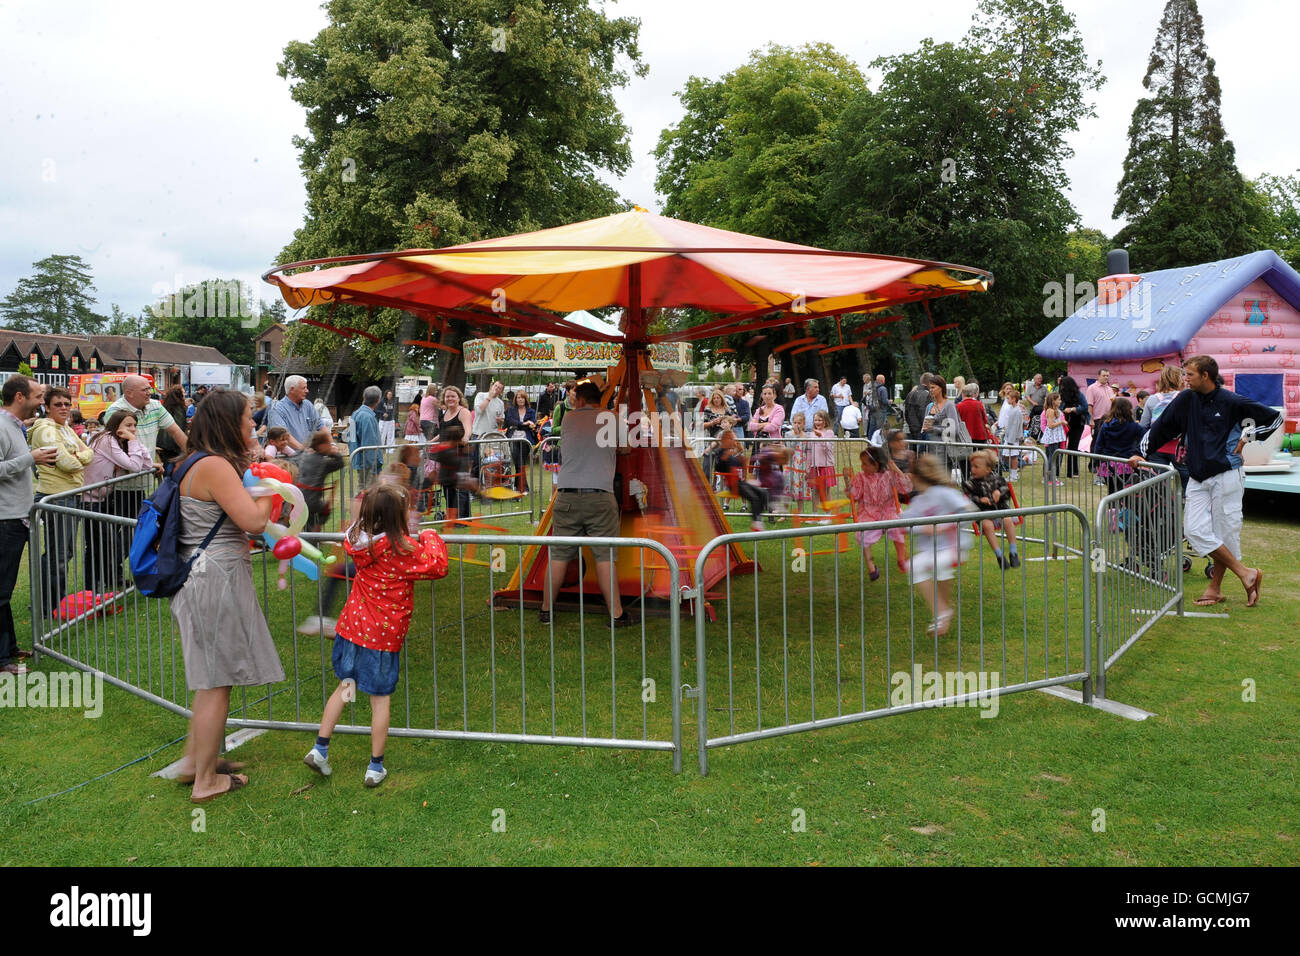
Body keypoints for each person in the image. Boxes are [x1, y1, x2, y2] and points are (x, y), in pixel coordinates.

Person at [169, 390, 283, 802]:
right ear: (228, 422)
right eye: (248, 417)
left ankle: (194, 762)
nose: (253, 423)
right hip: (214, 580)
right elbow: (253, 521)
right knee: (217, 680)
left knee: (210, 678)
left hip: (198, 577)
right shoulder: (215, 465)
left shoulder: (194, 461)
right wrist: (272, 484)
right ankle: (205, 781)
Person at [303, 482, 449, 787]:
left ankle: (320, 748)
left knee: (345, 687)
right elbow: (437, 565)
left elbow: (368, 522)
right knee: (379, 701)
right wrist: (431, 535)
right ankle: (375, 766)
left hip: (352, 629)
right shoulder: (401, 551)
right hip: (381, 638)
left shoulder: (357, 541)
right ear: (399, 518)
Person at [1129, 354, 1279, 609]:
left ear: (1205, 376)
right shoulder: (1186, 399)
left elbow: (1273, 419)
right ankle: (1246, 573)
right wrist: (1140, 452)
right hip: (1197, 476)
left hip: (1227, 475)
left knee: (1226, 533)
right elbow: (1162, 426)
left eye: (1190, 375)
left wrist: (1246, 439)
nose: (1185, 379)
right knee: (1194, 530)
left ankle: (1216, 588)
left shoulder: (1231, 401)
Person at [538, 380, 632, 627]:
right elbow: (626, 448)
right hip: (600, 495)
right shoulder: (611, 418)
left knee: (558, 555)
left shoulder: (568, 420)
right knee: (605, 557)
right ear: (598, 399)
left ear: (579, 400)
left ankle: (546, 611)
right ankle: (616, 614)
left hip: (567, 495)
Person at [1, 377, 58, 673]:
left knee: (4, 589)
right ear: (20, 397)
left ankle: (8, 649)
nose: (42, 402)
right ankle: (1, 660)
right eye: (39, 396)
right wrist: (30, 458)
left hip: (15, 518)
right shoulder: (1, 426)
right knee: (0, 590)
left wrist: (33, 460)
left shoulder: (15, 426)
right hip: (4, 520)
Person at [28, 387, 95, 616]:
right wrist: (79, 458)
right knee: (57, 554)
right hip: (57, 496)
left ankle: (56, 600)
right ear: (47, 406)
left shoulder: (65, 428)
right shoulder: (45, 429)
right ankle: (48, 605)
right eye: (58, 404)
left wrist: (80, 456)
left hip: (71, 494)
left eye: (67, 403)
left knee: (64, 553)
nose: (64, 408)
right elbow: (68, 463)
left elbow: (90, 452)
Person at [82, 411, 159, 594]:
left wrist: (134, 440)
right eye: (128, 425)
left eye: (134, 425)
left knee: (109, 542)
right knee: (97, 544)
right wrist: (133, 441)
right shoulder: (107, 440)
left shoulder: (120, 441)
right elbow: (134, 466)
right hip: (89, 500)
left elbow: (146, 464)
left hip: (102, 498)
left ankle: (104, 582)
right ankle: (92, 587)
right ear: (116, 426)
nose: (132, 429)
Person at [904, 455, 974, 636]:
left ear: (919, 477)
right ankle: (941, 611)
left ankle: (943, 613)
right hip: (931, 549)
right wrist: (920, 528)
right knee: (914, 566)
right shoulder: (919, 501)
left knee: (938, 565)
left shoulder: (945, 493)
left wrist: (944, 526)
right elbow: (905, 523)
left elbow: (968, 511)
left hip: (953, 546)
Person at [847, 445, 912, 580]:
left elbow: (906, 488)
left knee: (899, 526)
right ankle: (871, 566)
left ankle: (901, 558)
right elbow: (855, 495)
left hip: (889, 510)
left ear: (876, 464)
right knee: (862, 533)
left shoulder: (889, 475)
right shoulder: (860, 477)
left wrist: (897, 470)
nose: (862, 467)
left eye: (865, 464)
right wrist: (848, 483)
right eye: (862, 464)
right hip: (868, 512)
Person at [963, 449, 1019, 569]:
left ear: (988, 469)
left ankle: (1013, 551)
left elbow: (1007, 492)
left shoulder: (998, 479)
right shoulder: (969, 484)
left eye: (976, 467)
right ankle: (999, 555)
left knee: (1008, 520)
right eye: (972, 466)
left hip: (1000, 509)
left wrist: (999, 492)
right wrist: (979, 499)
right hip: (983, 513)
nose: (972, 469)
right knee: (987, 525)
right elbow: (968, 498)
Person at [1139, 365, 1188, 489]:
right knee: (1187, 480)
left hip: (1157, 447)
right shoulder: (1185, 398)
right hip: (1180, 447)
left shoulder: (1152, 399)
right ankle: (1186, 503)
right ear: (1178, 379)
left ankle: (1163, 505)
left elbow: (1144, 425)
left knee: (1159, 482)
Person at [714, 431, 766, 531]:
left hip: (739, 482)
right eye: (732, 439)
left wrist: (741, 460)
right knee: (754, 498)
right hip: (733, 485)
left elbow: (738, 463)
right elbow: (719, 467)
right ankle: (757, 522)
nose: (734, 441)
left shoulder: (731, 454)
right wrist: (725, 458)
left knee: (762, 493)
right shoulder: (721, 452)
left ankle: (758, 519)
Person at [1091, 396, 1144, 493]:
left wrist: (1096, 462)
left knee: (1111, 492)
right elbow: (1145, 437)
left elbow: (1098, 445)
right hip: (1127, 462)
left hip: (1108, 463)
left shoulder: (1106, 425)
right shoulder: (1134, 426)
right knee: (1125, 492)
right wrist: (1138, 452)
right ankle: (1122, 508)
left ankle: (1112, 508)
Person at [297, 428, 344, 532]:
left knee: (308, 519)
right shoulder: (322, 462)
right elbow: (340, 463)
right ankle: (315, 533)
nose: (330, 446)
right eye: (329, 444)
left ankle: (310, 536)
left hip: (299, 497)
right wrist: (334, 453)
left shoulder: (306, 457)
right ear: (321, 446)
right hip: (312, 500)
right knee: (325, 510)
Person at [268, 375, 321, 453]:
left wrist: (331, 444)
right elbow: (282, 435)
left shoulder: (308, 405)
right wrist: (303, 449)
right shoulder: (277, 409)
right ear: (292, 389)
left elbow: (320, 425)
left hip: (307, 456)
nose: (307, 391)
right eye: (304, 388)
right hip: (289, 458)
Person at [505, 389, 538, 493]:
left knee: (521, 462)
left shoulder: (531, 411)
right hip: (514, 437)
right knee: (518, 462)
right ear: (516, 399)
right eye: (519, 397)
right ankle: (522, 487)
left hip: (526, 439)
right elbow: (510, 421)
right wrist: (523, 424)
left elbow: (533, 423)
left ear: (526, 399)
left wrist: (531, 424)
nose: (521, 399)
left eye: (522, 397)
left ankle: (519, 487)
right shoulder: (511, 410)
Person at [349, 386, 383, 487]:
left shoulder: (354, 414)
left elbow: (350, 439)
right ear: (378, 400)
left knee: (362, 491)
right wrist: (373, 468)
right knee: (368, 495)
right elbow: (370, 446)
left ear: (364, 397)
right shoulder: (367, 417)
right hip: (368, 466)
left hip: (359, 461)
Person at [1056, 375, 1086, 477]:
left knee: (1073, 447)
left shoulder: (1079, 395)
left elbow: (1085, 407)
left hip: (1077, 423)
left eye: (1063, 385)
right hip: (1063, 423)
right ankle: (1056, 472)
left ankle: (1073, 471)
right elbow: (1058, 407)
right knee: (1060, 447)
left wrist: (1073, 409)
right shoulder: (1061, 395)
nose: (1062, 387)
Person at [808, 409, 836, 503]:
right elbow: (809, 450)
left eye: (820, 420)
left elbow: (828, 447)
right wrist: (808, 467)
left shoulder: (829, 433)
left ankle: (828, 514)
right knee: (815, 491)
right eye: (815, 420)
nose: (817, 422)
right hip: (815, 465)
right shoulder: (811, 434)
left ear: (825, 421)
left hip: (826, 465)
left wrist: (821, 437)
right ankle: (815, 514)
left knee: (826, 490)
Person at [997, 388, 1025, 481]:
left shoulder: (1017, 410)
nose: (1007, 400)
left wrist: (1011, 440)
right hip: (1009, 436)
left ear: (1013, 399)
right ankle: (1013, 473)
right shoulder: (1012, 409)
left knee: (1013, 456)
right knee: (1007, 456)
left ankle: (1014, 475)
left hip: (1012, 438)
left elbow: (1015, 425)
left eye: (1008, 398)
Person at [1040, 393, 1067, 485]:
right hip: (1052, 437)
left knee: (1054, 457)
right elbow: (1050, 425)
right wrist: (1061, 422)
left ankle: (1052, 477)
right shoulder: (1050, 411)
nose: (1060, 401)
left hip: (1056, 437)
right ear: (1053, 401)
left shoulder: (1055, 410)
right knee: (1052, 457)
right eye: (1059, 399)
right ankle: (1050, 478)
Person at [785, 412, 811, 505]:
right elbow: (790, 447)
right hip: (791, 462)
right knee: (787, 486)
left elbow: (808, 450)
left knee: (800, 488)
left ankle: (800, 513)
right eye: (795, 423)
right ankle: (784, 514)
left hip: (801, 463)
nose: (797, 425)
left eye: (799, 423)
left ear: (804, 424)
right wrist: (797, 436)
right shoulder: (788, 434)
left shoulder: (807, 436)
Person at [904, 373, 933, 440]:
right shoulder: (927, 394)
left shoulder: (910, 393)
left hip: (911, 429)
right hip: (921, 431)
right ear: (930, 382)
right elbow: (924, 414)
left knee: (912, 450)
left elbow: (906, 412)